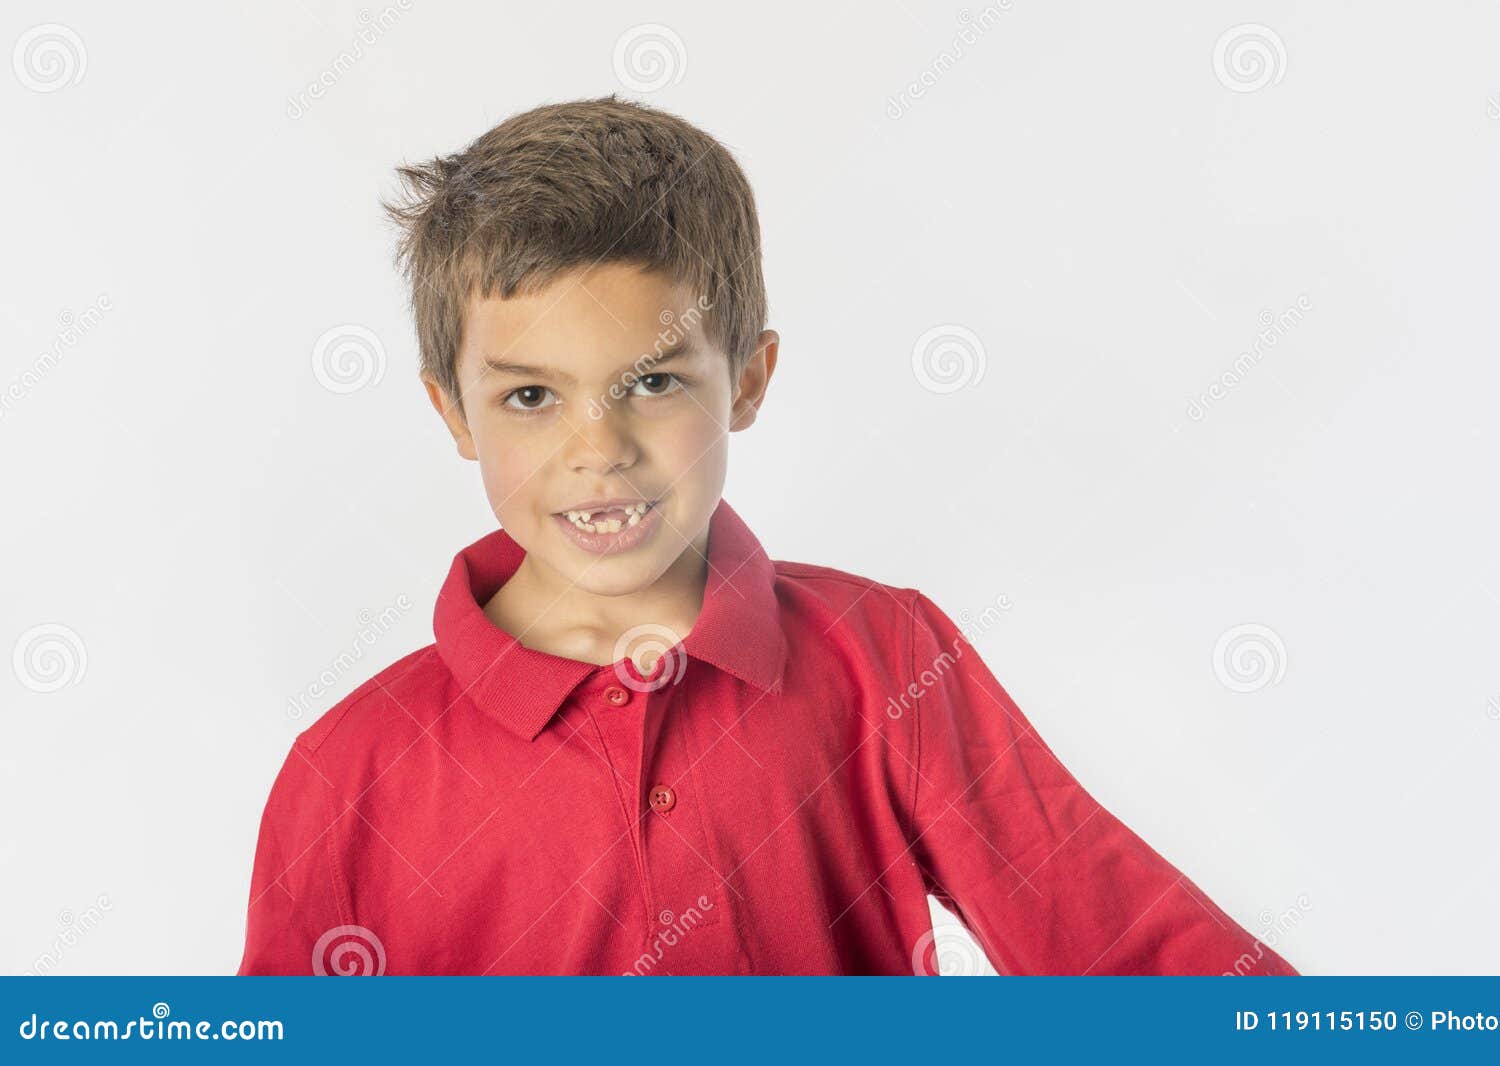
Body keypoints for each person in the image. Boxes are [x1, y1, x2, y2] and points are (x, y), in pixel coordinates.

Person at [236, 95, 1299, 976]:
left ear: (745, 379)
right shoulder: (348, 773)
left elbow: (1124, 950)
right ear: (452, 413)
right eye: (529, 398)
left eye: (651, 382)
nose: (595, 449)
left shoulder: (884, 659)